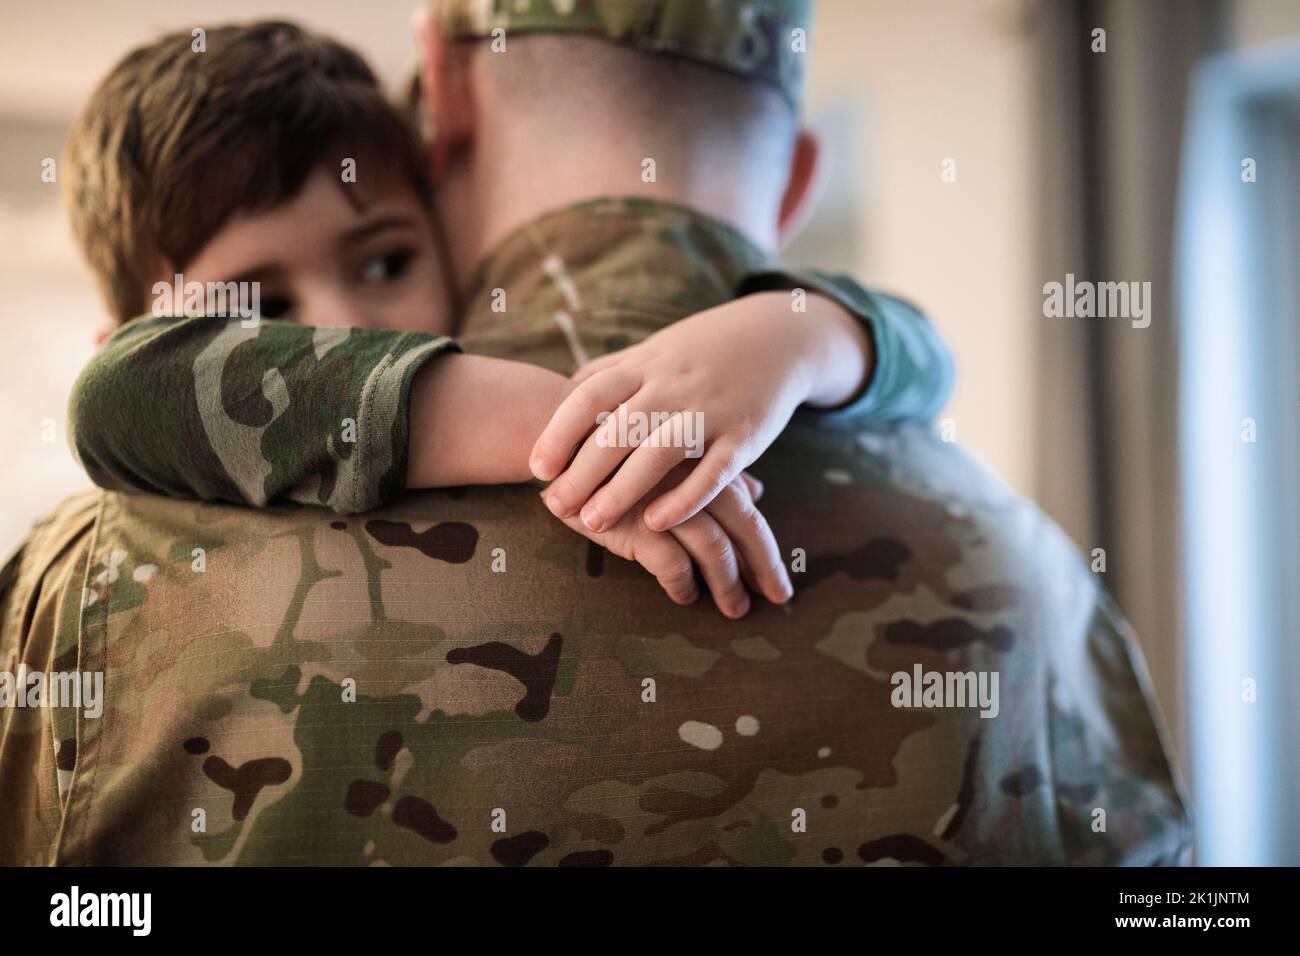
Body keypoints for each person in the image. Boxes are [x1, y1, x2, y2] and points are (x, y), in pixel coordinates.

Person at [0, 0, 1190, 865]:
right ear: (798, 177)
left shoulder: (86, 588)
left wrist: (804, 333)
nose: (345, 327)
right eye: (257, 312)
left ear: (442, 104)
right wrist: (593, 424)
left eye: (381, 259)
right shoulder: (1031, 566)